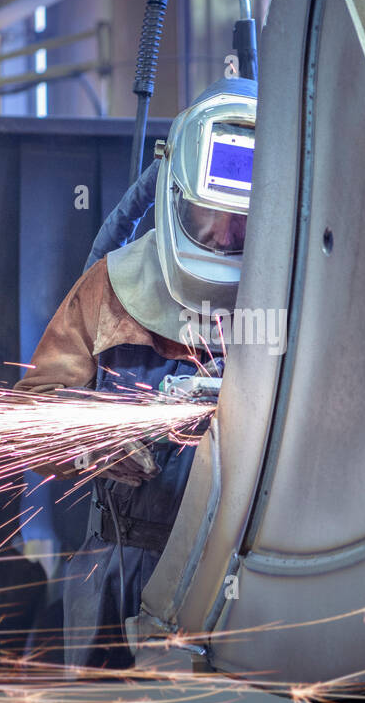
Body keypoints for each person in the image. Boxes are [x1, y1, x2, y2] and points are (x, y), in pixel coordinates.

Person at [16, 77, 256, 671]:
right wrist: (86, 444)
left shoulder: (303, 289)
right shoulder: (111, 285)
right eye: (209, 217)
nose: (224, 238)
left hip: (245, 580)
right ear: (176, 195)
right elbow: (29, 415)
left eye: (241, 222)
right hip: (119, 570)